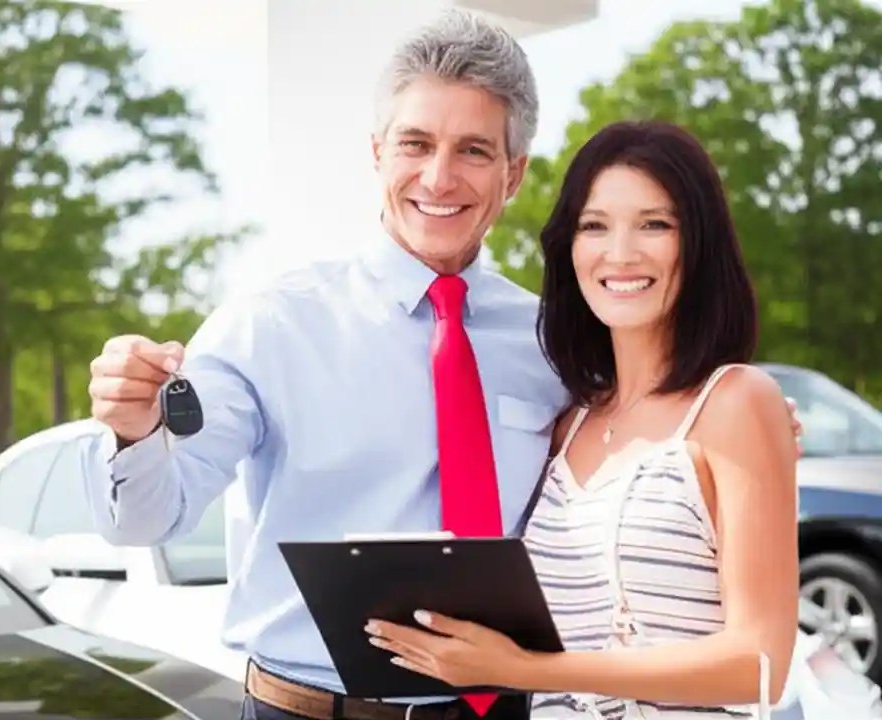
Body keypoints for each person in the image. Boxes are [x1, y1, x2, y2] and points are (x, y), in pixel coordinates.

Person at [81, 10, 797, 720]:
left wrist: (747, 433)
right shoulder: (270, 325)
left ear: (514, 174)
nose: (439, 176)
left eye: (474, 151)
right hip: (309, 710)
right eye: (415, 143)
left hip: (508, 710)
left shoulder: (554, 342)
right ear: (376, 153)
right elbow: (148, 519)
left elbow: (653, 436)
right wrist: (134, 434)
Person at [363, 121, 800, 719]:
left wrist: (523, 671)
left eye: (655, 224)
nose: (620, 253)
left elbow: (760, 665)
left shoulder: (736, 402)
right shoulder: (567, 426)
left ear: (698, 244)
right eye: (594, 226)